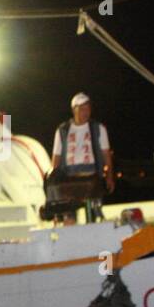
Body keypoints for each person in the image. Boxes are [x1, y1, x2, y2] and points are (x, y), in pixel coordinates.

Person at [51, 92, 114, 222]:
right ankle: (70, 238)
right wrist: (55, 179)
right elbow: (56, 157)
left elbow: (106, 154)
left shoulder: (98, 128)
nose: (86, 112)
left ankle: (95, 237)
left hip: (92, 174)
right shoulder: (63, 130)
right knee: (69, 214)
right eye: (82, 108)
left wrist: (109, 176)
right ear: (74, 110)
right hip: (69, 177)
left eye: (88, 108)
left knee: (94, 214)